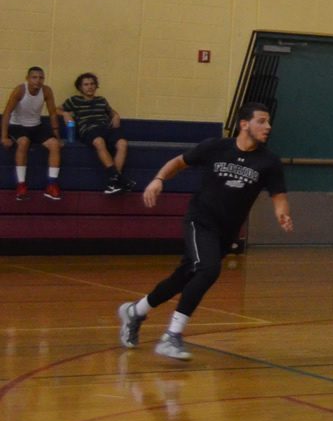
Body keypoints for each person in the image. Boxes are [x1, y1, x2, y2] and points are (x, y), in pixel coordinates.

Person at [118, 103, 292, 361]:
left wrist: (282, 212)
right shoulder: (216, 147)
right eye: (262, 121)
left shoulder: (268, 161)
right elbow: (179, 162)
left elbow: (278, 195)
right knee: (208, 270)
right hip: (200, 221)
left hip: (226, 232)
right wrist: (159, 179)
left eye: (268, 122)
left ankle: (136, 311)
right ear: (245, 124)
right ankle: (172, 336)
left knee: (184, 276)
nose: (268, 127)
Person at [61, 72, 134, 194]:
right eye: (86, 84)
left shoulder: (101, 100)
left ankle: (114, 181)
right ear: (80, 87)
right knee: (99, 141)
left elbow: (111, 111)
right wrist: (65, 114)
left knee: (122, 143)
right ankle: (118, 179)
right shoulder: (74, 101)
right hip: (88, 129)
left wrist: (115, 115)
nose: (89, 87)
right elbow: (57, 109)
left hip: (105, 128)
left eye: (92, 84)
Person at [3, 66, 62, 200]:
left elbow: (53, 114)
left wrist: (57, 136)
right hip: (18, 125)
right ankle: (21, 185)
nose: (38, 80)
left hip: (36, 125)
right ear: (28, 79)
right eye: (34, 77)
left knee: (54, 144)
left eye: (41, 78)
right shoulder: (20, 90)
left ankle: (52, 185)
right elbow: (7, 113)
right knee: (24, 142)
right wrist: (4, 137)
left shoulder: (46, 91)